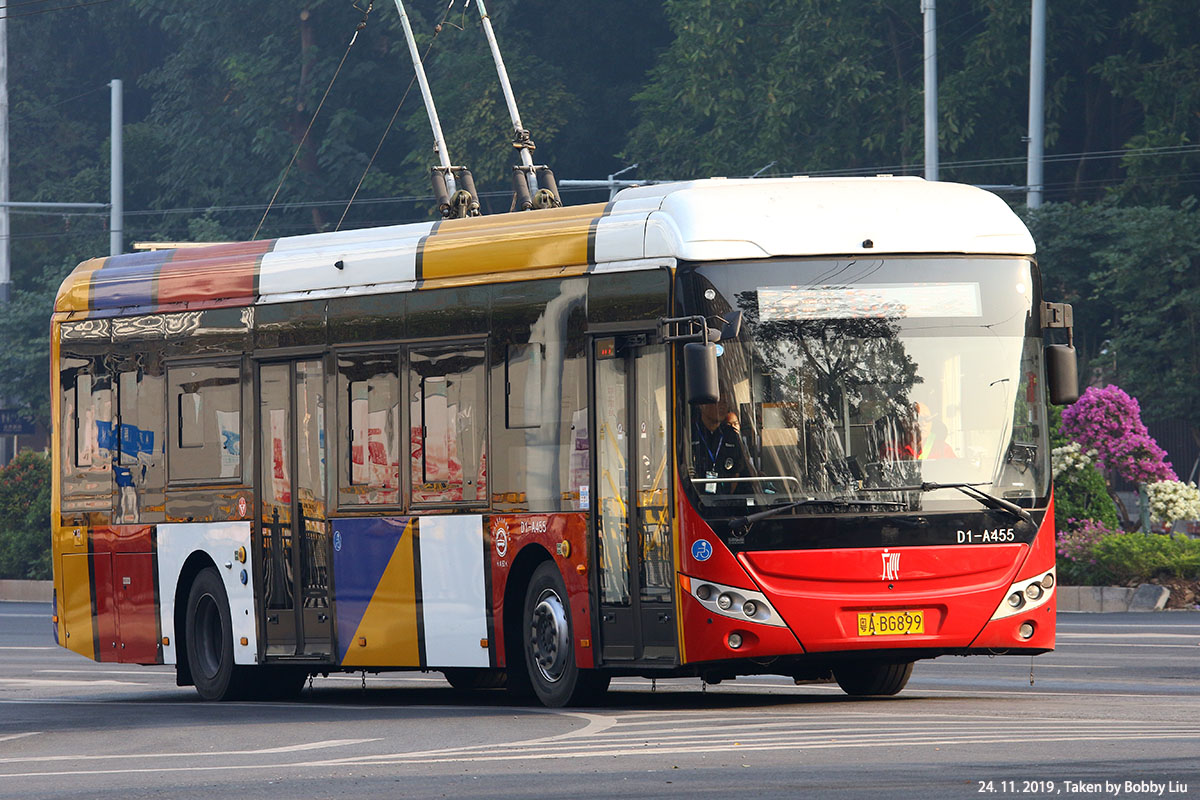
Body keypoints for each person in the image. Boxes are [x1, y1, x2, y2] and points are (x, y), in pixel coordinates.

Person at [691, 398, 747, 494]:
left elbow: (736, 472)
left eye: (725, 402)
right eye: (717, 401)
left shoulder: (731, 435)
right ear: (702, 405)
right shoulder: (690, 433)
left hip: (723, 500)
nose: (722, 406)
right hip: (694, 499)